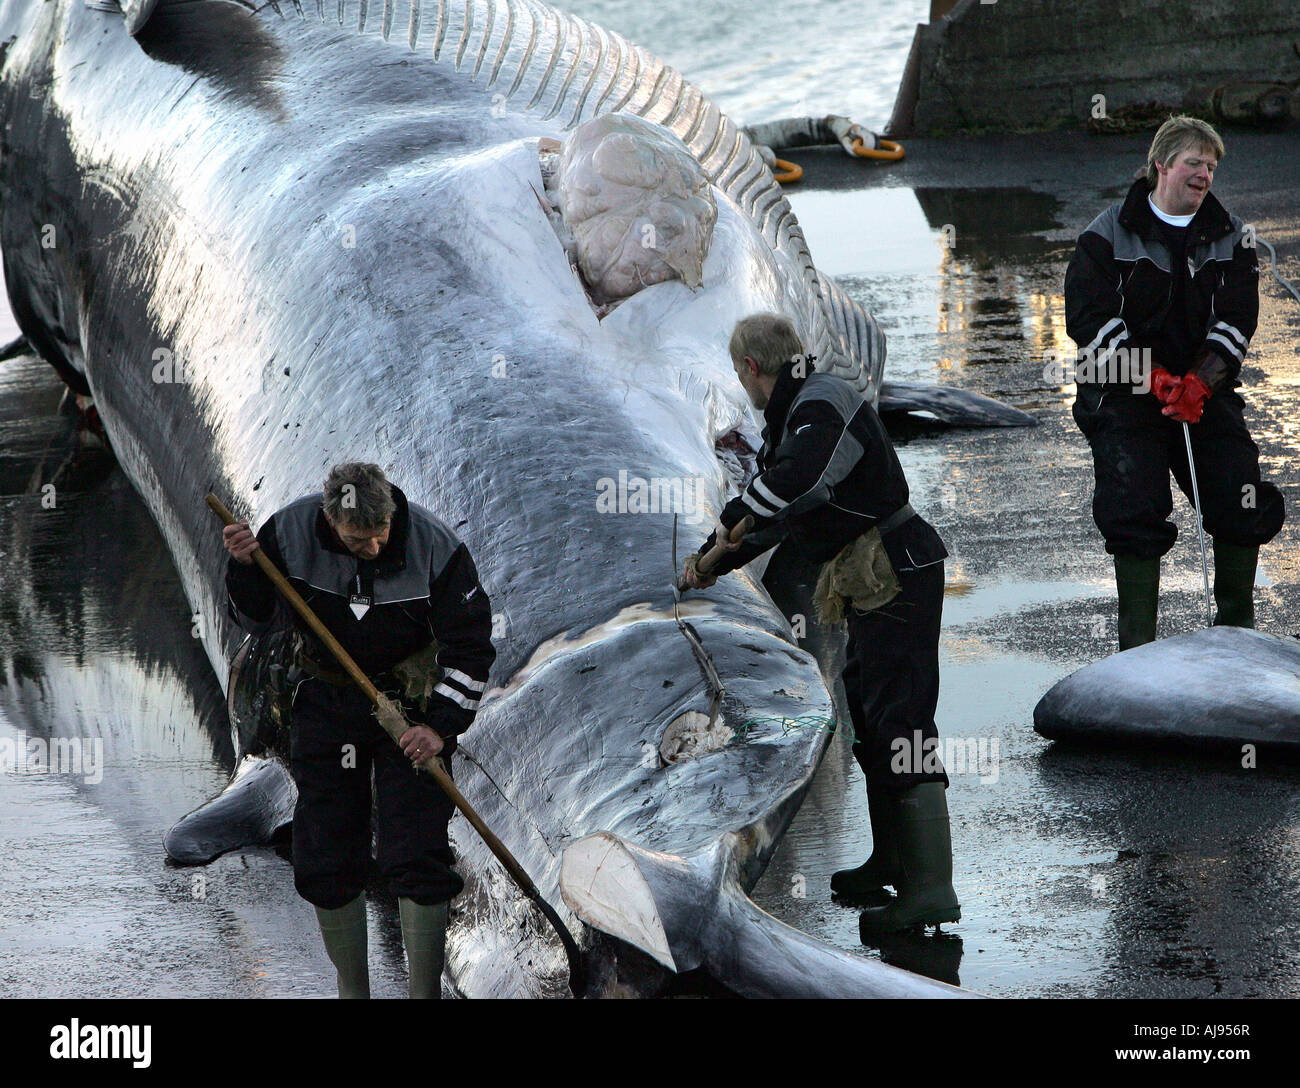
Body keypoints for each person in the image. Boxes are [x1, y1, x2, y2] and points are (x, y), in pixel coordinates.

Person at [682, 313, 959, 934]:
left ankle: (932, 891)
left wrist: (734, 517)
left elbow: (798, 479)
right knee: (868, 708)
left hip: (897, 570)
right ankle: (891, 862)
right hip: (869, 581)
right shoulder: (792, 417)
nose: (742, 385)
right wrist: (712, 561)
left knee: (902, 720)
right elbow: (778, 514)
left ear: (752, 368)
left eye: (739, 374)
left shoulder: (823, 398)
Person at [221, 462, 495, 997]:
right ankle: (353, 988)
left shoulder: (436, 546)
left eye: (378, 537)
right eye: (354, 539)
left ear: (392, 514)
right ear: (330, 520)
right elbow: (254, 619)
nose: (370, 549)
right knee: (327, 848)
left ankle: (423, 993)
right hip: (328, 702)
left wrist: (438, 728)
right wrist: (246, 568)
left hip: (408, 706)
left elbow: (471, 649)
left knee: (417, 850)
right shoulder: (290, 530)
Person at [1065, 115, 1284, 649]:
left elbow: (1236, 320)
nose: (1204, 174)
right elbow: (1089, 319)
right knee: (1134, 510)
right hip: (1120, 390)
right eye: (1193, 163)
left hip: (1200, 391)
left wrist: (1201, 382)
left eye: (1211, 166)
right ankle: (1136, 650)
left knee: (1239, 496)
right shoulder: (1105, 235)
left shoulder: (1232, 237)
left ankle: (1238, 634)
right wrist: (1151, 376)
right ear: (1161, 165)